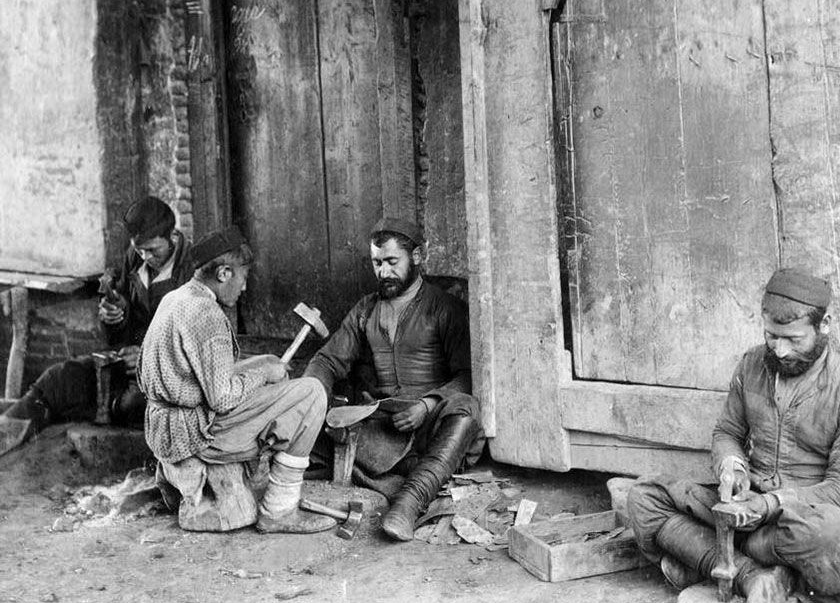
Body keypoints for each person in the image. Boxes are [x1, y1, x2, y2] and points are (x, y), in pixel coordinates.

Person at [626, 268, 840, 603]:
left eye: (793, 339)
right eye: (771, 336)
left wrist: (771, 503)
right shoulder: (751, 365)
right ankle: (750, 576)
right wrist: (732, 468)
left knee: (831, 534)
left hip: (797, 520)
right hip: (740, 512)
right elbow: (727, 432)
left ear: (824, 325)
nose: (779, 350)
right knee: (644, 496)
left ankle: (708, 559)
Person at [140, 226, 334, 534]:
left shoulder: (177, 298)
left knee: (274, 381)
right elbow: (222, 397)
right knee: (311, 392)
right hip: (196, 435)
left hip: (165, 425)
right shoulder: (207, 315)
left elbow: (203, 370)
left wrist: (259, 364)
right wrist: (262, 376)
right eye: (243, 278)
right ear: (224, 273)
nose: (244, 288)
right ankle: (280, 510)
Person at [305, 217, 484, 541]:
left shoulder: (444, 307)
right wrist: (309, 396)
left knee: (466, 411)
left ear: (416, 257)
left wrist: (428, 405)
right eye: (377, 263)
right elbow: (328, 360)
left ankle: (408, 503)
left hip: (429, 423)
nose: (383, 272)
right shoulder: (366, 310)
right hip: (380, 426)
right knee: (310, 424)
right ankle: (405, 475)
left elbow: (468, 374)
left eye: (391, 262)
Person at [0, 196, 195, 456]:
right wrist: (115, 316)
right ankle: (4, 436)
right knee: (58, 379)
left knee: (131, 406)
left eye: (153, 250)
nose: (146, 258)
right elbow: (118, 336)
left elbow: (197, 344)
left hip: (169, 379)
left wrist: (149, 357)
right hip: (126, 370)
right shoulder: (135, 260)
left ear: (171, 236)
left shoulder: (192, 269)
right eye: (140, 250)